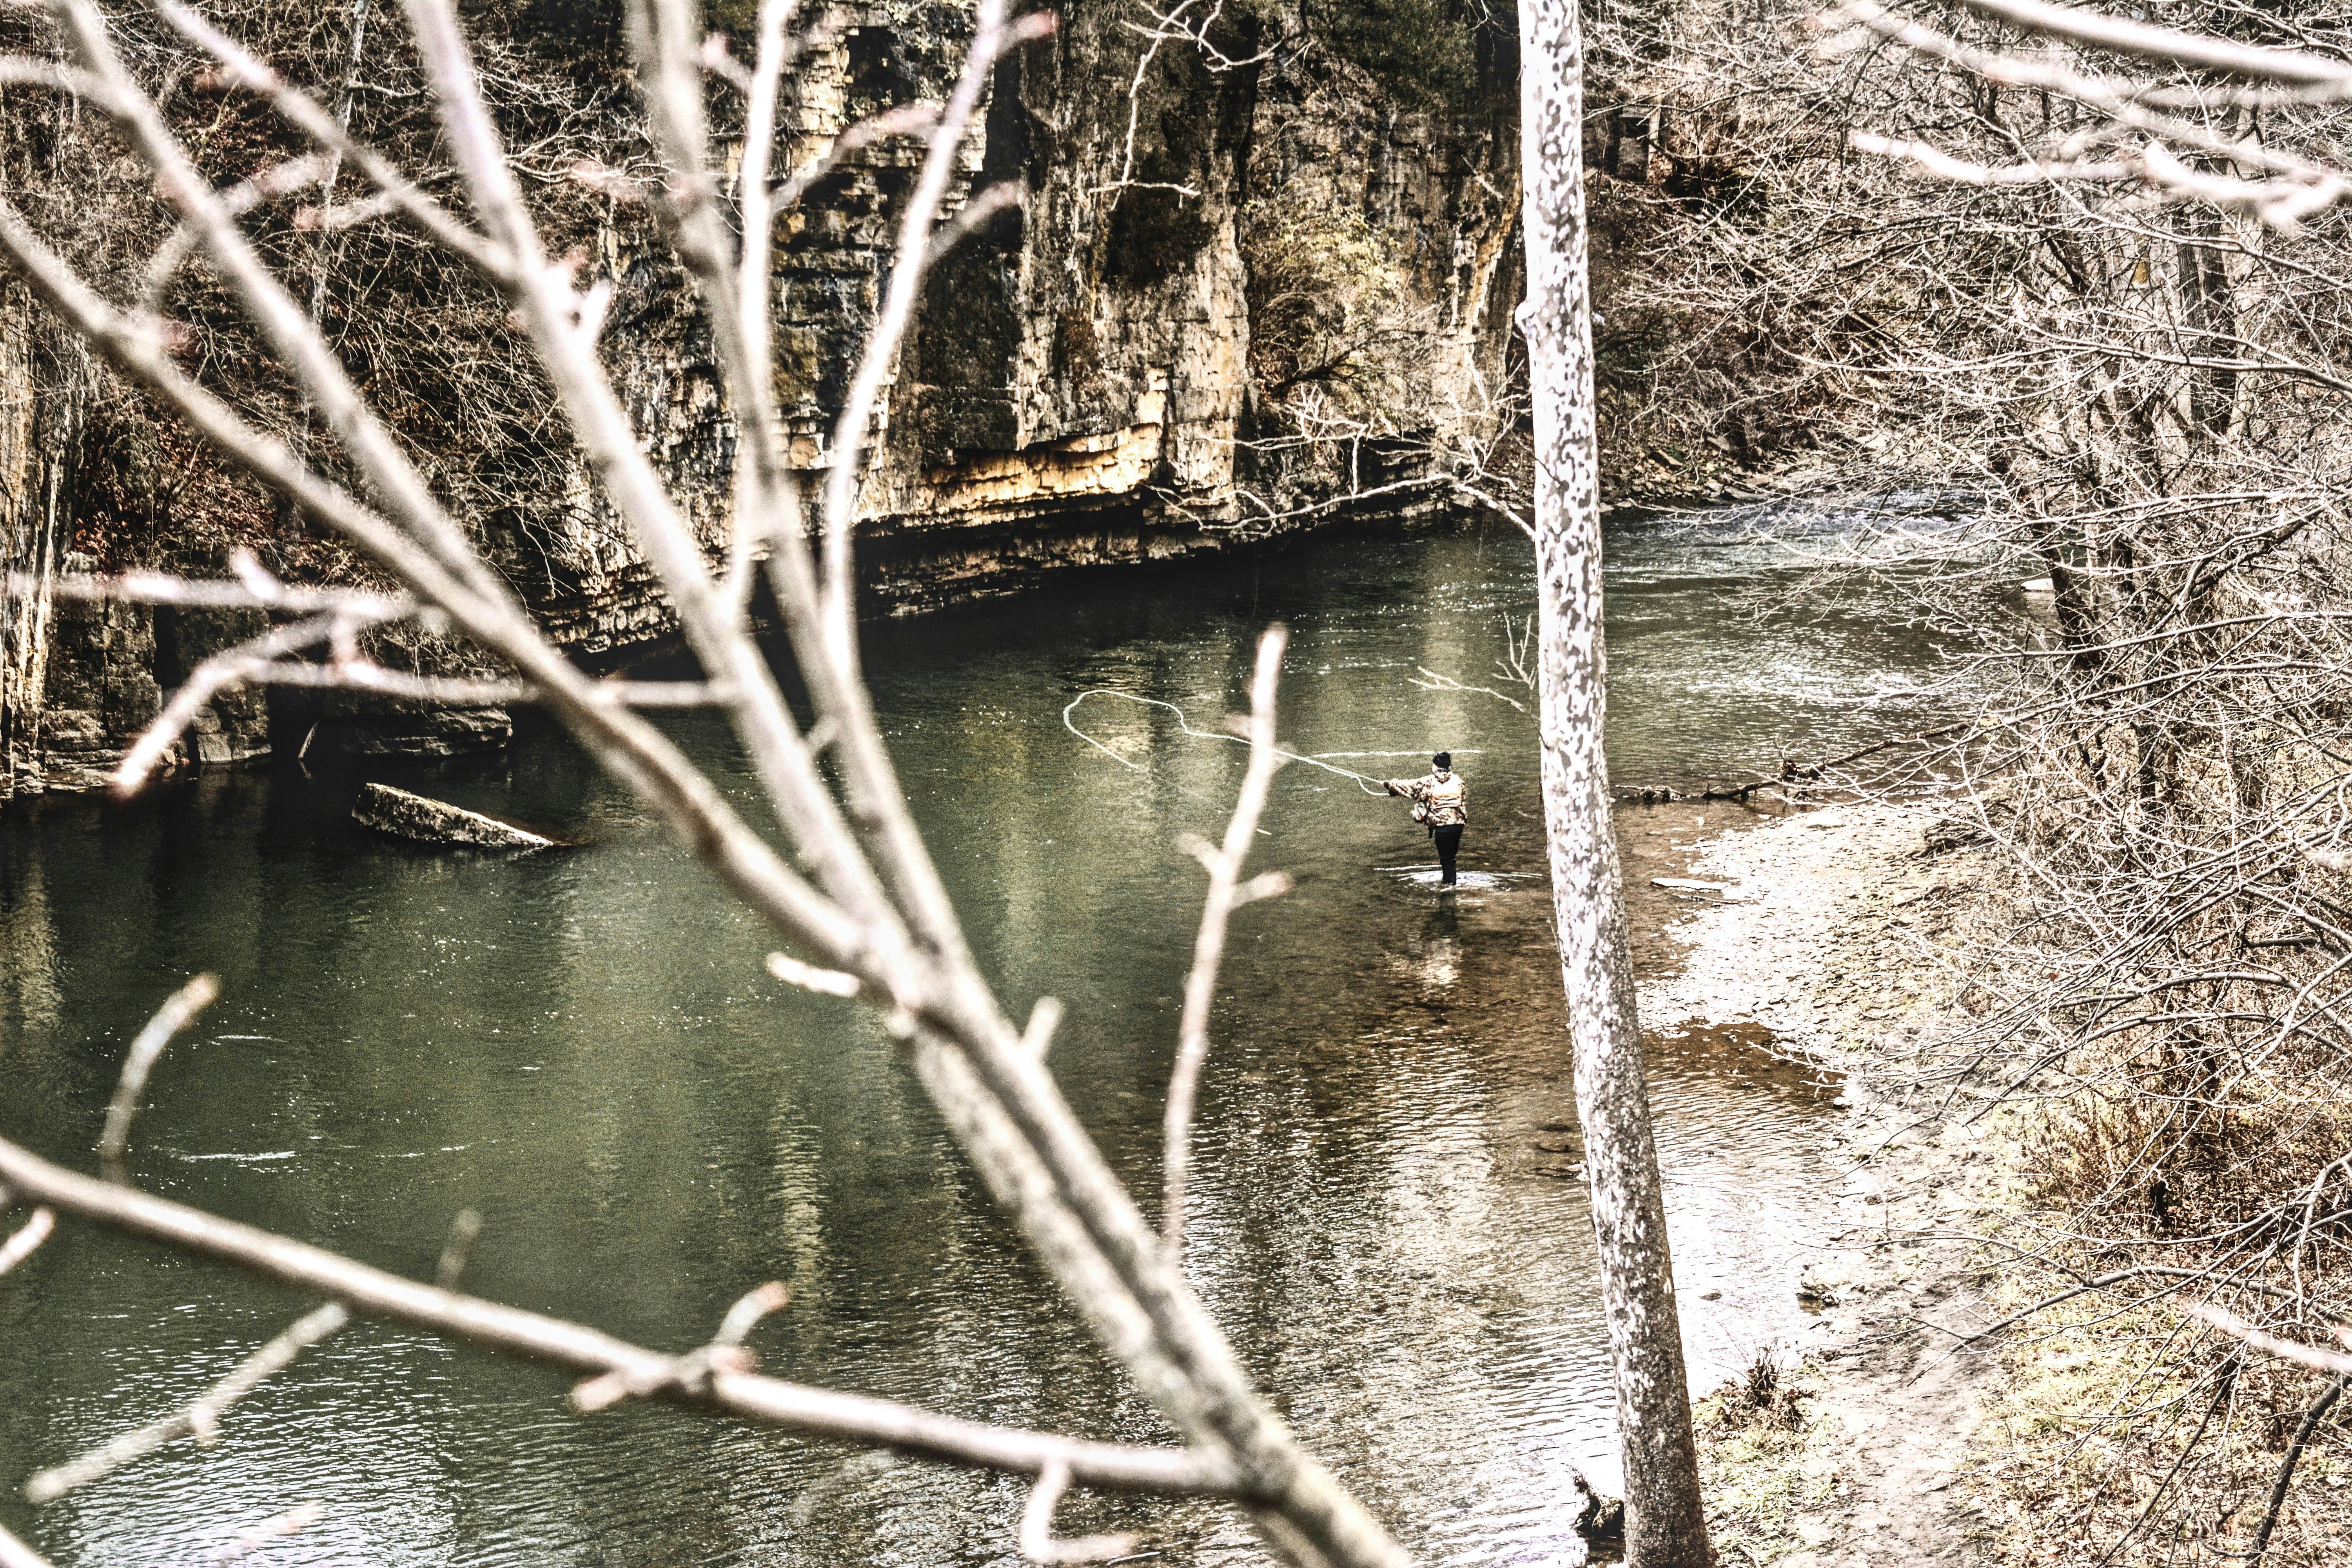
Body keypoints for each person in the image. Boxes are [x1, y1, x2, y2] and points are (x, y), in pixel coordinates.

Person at [1385, 752, 1468, 888]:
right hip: (1458, 825)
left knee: (1446, 859)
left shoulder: (1429, 781)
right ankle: (1450, 882)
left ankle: (1449, 888)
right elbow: (1463, 797)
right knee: (1450, 858)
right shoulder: (1459, 781)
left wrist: (1391, 784)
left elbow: (1410, 787)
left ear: (1436, 766)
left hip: (1442, 827)